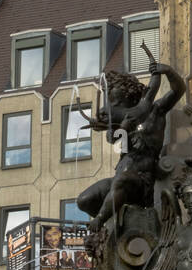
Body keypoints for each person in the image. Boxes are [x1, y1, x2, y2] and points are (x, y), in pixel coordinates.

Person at [76, 50, 185, 231]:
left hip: (142, 179)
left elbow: (178, 90)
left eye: (116, 101)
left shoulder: (155, 110)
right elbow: (112, 139)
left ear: (129, 97)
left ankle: (101, 220)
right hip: (121, 174)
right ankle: (116, 223)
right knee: (84, 200)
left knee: (122, 181)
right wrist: (123, 127)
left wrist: (168, 71)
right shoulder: (120, 121)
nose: (112, 107)